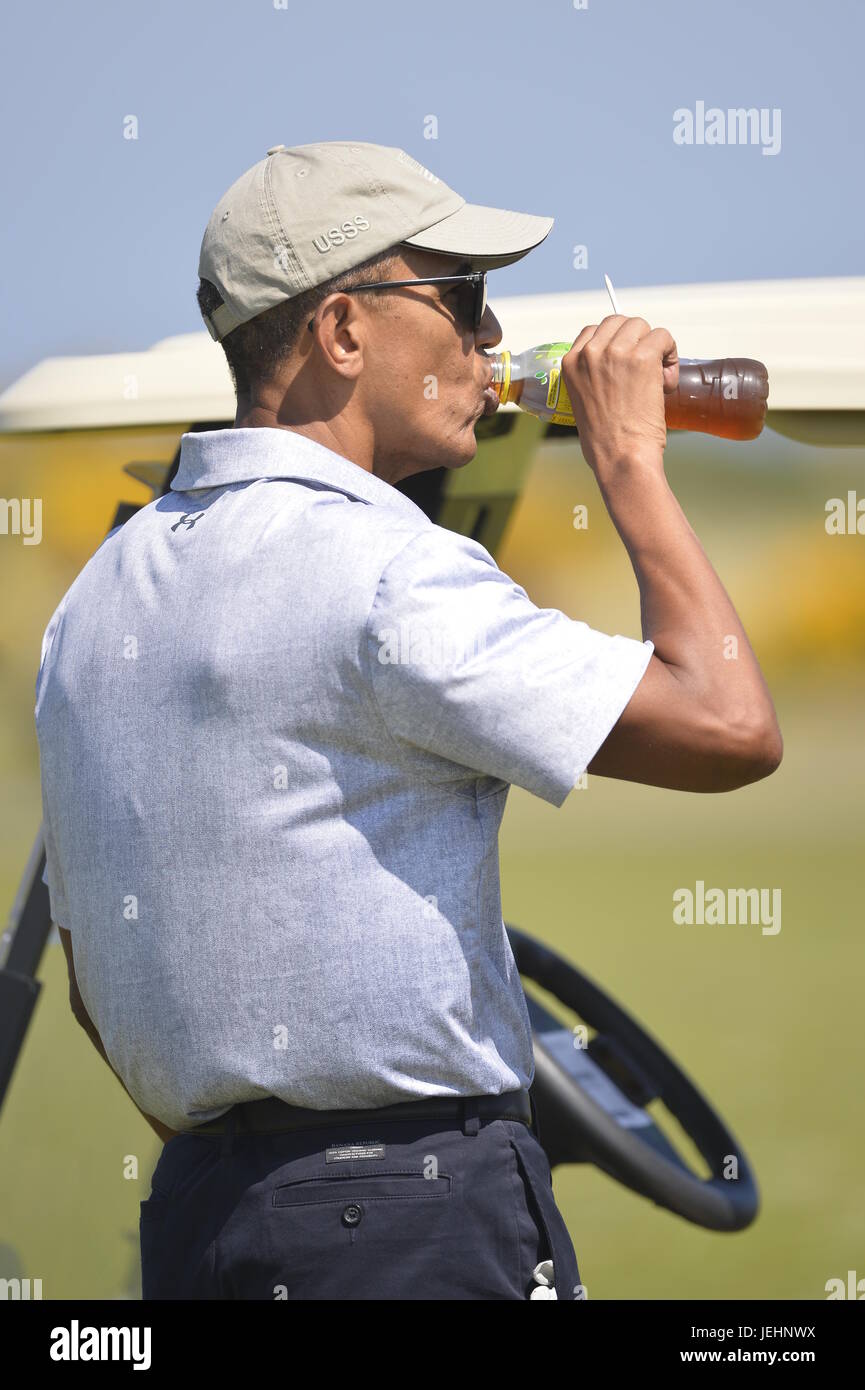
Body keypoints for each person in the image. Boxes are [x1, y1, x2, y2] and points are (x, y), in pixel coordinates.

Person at [34, 140, 782, 1301]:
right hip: (415, 1227)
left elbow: (91, 968)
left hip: (199, 1224)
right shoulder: (391, 571)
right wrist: (630, 461)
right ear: (342, 331)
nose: (489, 345)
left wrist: (256, 1158)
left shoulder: (95, 597)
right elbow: (730, 724)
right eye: (464, 303)